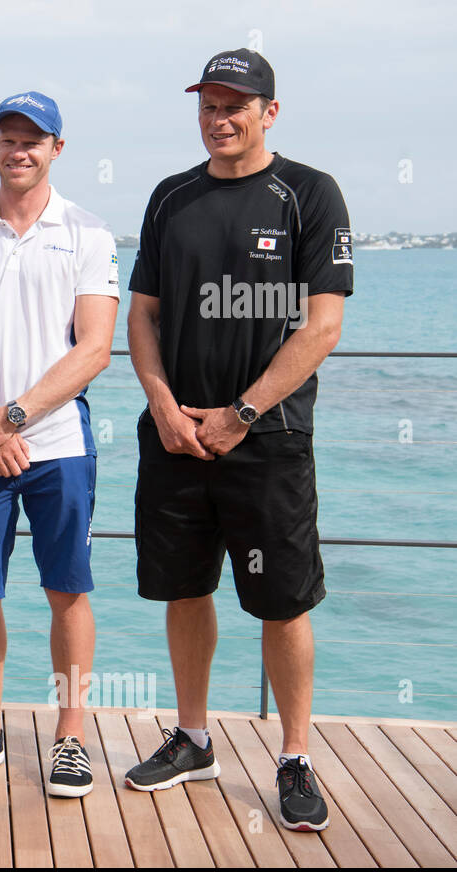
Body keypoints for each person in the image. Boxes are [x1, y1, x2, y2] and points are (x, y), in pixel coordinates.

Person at [124, 49, 352, 831]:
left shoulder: (310, 194)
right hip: (177, 435)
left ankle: (294, 757)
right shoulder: (171, 196)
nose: (220, 119)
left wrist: (241, 412)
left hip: (268, 438)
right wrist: (160, 403)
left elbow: (322, 325)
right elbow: (142, 313)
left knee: (283, 601)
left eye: (236, 106)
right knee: (185, 588)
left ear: (270, 112)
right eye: (209, 106)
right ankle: (194, 737)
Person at [0, 92, 119, 796]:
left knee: (67, 587)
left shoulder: (88, 233)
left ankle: (71, 736)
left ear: (57, 149)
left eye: (33, 140)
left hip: (58, 442)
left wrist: (13, 417)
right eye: (8, 138)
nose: (19, 149)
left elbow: (95, 348)